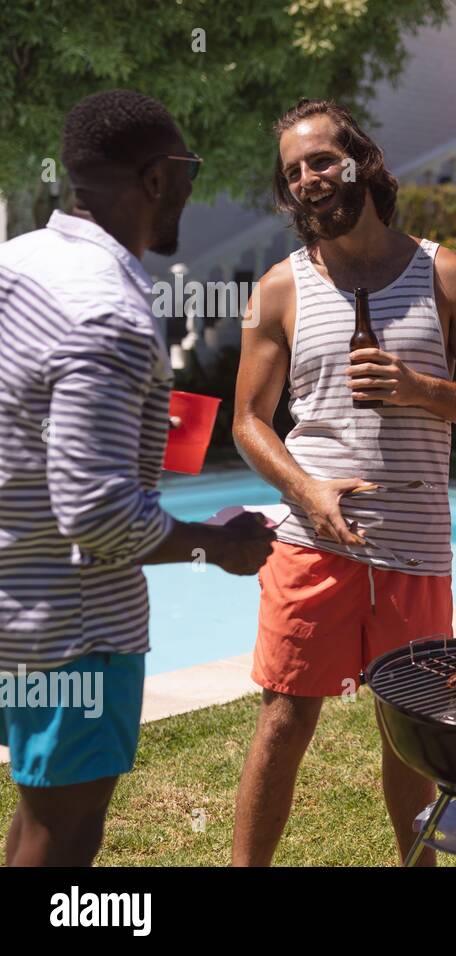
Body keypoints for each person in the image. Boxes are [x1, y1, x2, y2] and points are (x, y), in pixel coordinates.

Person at [230, 99, 456, 866]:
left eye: (321, 160)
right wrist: (307, 492)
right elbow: (249, 422)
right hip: (310, 541)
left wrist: (424, 390)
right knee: (285, 720)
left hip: (414, 549)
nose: (308, 180)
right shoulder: (280, 288)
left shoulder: (442, 272)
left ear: (363, 162)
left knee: (410, 724)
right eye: (293, 172)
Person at [0, 89, 274, 866]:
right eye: (188, 168)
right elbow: (94, 511)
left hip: (13, 604)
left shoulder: (15, 263)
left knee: (38, 806)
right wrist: (214, 544)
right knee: (64, 834)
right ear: (156, 178)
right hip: (75, 628)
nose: (192, 184)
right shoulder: (111, 312)